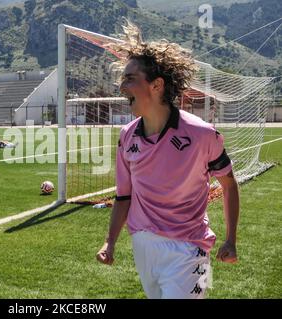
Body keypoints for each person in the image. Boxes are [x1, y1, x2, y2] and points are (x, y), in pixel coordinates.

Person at [96, 22, 240, 299]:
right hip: (143, 244)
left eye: (129, 78)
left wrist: (231, 239)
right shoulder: (127, 136)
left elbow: (230, 185)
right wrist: (109, 242)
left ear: (157, 84)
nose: (121, 85)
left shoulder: (201, 134)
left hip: (188, 247)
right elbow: (123, 196)